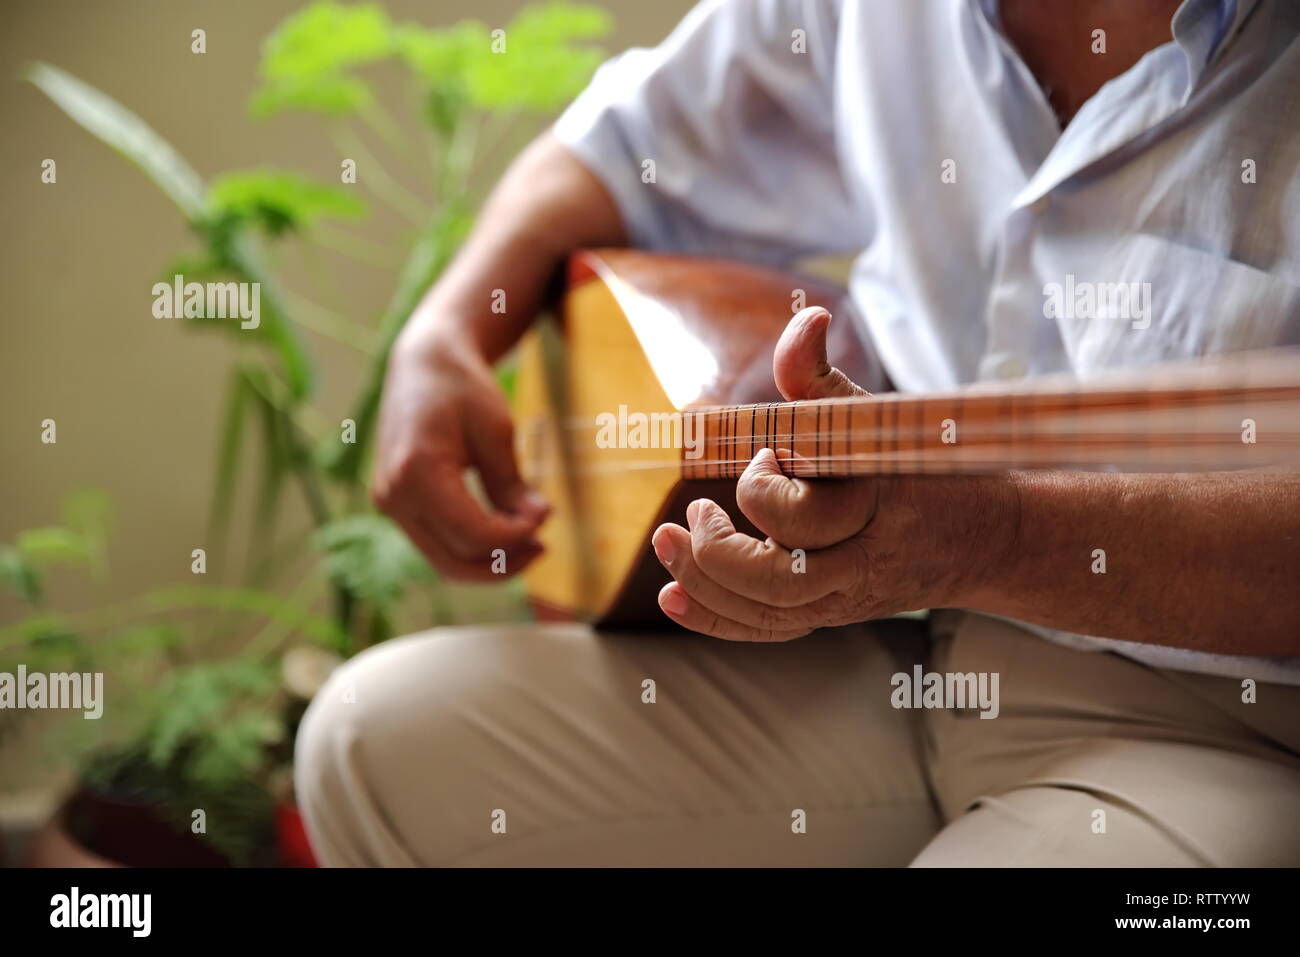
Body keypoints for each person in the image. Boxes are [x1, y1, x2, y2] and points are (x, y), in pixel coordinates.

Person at [295, 0, 1300, 866]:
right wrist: (446, 331)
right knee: (369, 748)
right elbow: (628, 144)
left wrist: (992, 537)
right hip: (909, 652)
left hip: (1227, 726)